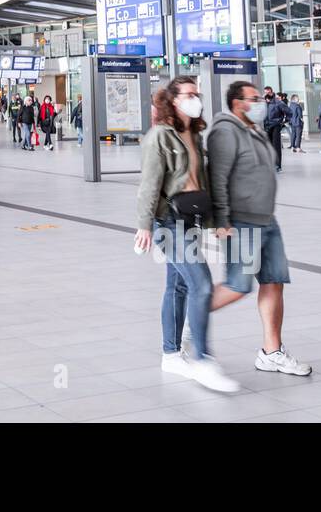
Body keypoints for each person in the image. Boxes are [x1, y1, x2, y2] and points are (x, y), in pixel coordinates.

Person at [132, 76, 238, 393]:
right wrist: (144, 225)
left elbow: (201, 179)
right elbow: (149, 184)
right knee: (201, 284)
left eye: (197, 94)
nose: (195, 99)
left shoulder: (194, 133)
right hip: (168, 223)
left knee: (176, 286)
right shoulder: (159, 136)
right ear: (173, 99)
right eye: (189, 94)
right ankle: (203, 359)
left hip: (190, 219)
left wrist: (217, 221)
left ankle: (170, 354)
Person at [207, 81, 311, 377]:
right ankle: (188, 320)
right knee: (237, 285)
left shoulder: (253, 129)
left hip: (267, 219)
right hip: (241, 221)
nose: (260, 103)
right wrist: (222, 221)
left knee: (274, 281)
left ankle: (271, 352)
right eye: (253, 99)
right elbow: (217, 178)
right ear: (237, 103)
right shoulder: (224, 131)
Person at [261, 86, 288, 172]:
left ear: (272, 92)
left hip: (276, 125)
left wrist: (282, 122)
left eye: (268, 92)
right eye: (265, 92)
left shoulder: (278, 102)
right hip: (267, 126)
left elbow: (289, 112)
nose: (267, 94)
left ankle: (277, 165)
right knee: (268, 146)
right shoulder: (263, 103)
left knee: (276, 146)